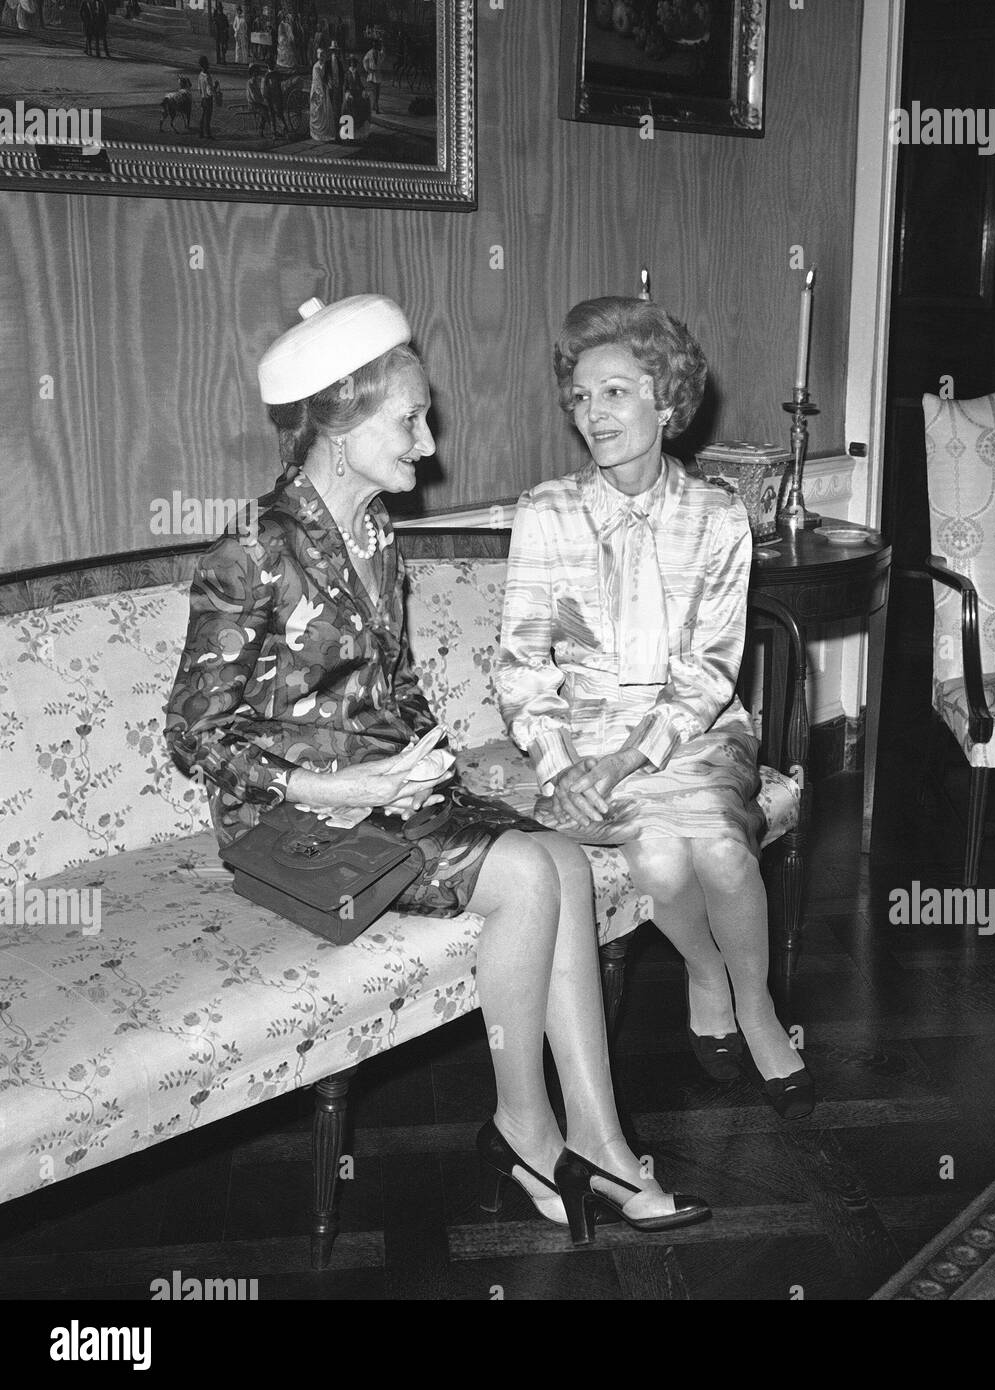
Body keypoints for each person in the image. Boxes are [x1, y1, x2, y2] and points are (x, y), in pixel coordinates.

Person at [165, 294, 710, 1243]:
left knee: (565, 861)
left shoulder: (376, 536)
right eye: (409, 419)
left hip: (389, 799)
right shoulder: (251, 552)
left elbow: (396, 693)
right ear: (339, 422)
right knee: (528, 881)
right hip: (289, 824)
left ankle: (600, 1137)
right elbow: (192, 736)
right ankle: (525, 1126)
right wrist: (334, 788)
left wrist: (442, 768)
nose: (427, 442)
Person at [497, 297, 815, 1120]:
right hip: (588, 734)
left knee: (720, 852)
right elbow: (522, 665)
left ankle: (754, 1002)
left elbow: (712, 671)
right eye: (579, 398)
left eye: (614, 393)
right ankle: (704, 970)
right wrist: (563, 765)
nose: (591, 415)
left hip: (694, 729)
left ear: (666, 400)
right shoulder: (546, 514)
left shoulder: (717, 518)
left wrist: (630, 757)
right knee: (666, 862)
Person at [308, 43, 334, 141]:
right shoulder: (316, 67)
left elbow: (327, 77)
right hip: (317, 90)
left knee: (326, 110)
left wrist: (329, 84)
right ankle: (317, 132)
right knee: (318, 109)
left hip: (324, 88)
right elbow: (317, 81)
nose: (321, 57)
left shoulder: (326, 65)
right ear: (317, 56)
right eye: (320, 55)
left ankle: (326, 132)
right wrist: (321, 92)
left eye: (323, 55)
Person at [196, 53, 214, 138]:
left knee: (203, 116)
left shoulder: (200, 75)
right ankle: (208, 133)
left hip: (203, 98)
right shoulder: (207, 76)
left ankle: (201, 132)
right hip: (208, 99)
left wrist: (202, 97)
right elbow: (210, 90)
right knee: (208, 117)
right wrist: (215, 88)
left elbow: (199, 88)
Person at [362, 39, 382, 115]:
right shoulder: (369, 53)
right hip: (371, 76)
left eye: (376, 45)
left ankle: (374, 105)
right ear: (372, 45)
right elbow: (364, 61)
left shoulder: (379, 53)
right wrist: (368, 69)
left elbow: (382, 57)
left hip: (378, 75)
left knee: (378, 92)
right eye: (374, 45)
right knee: (375, 92)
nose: (375, 46)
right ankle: (377, 108)